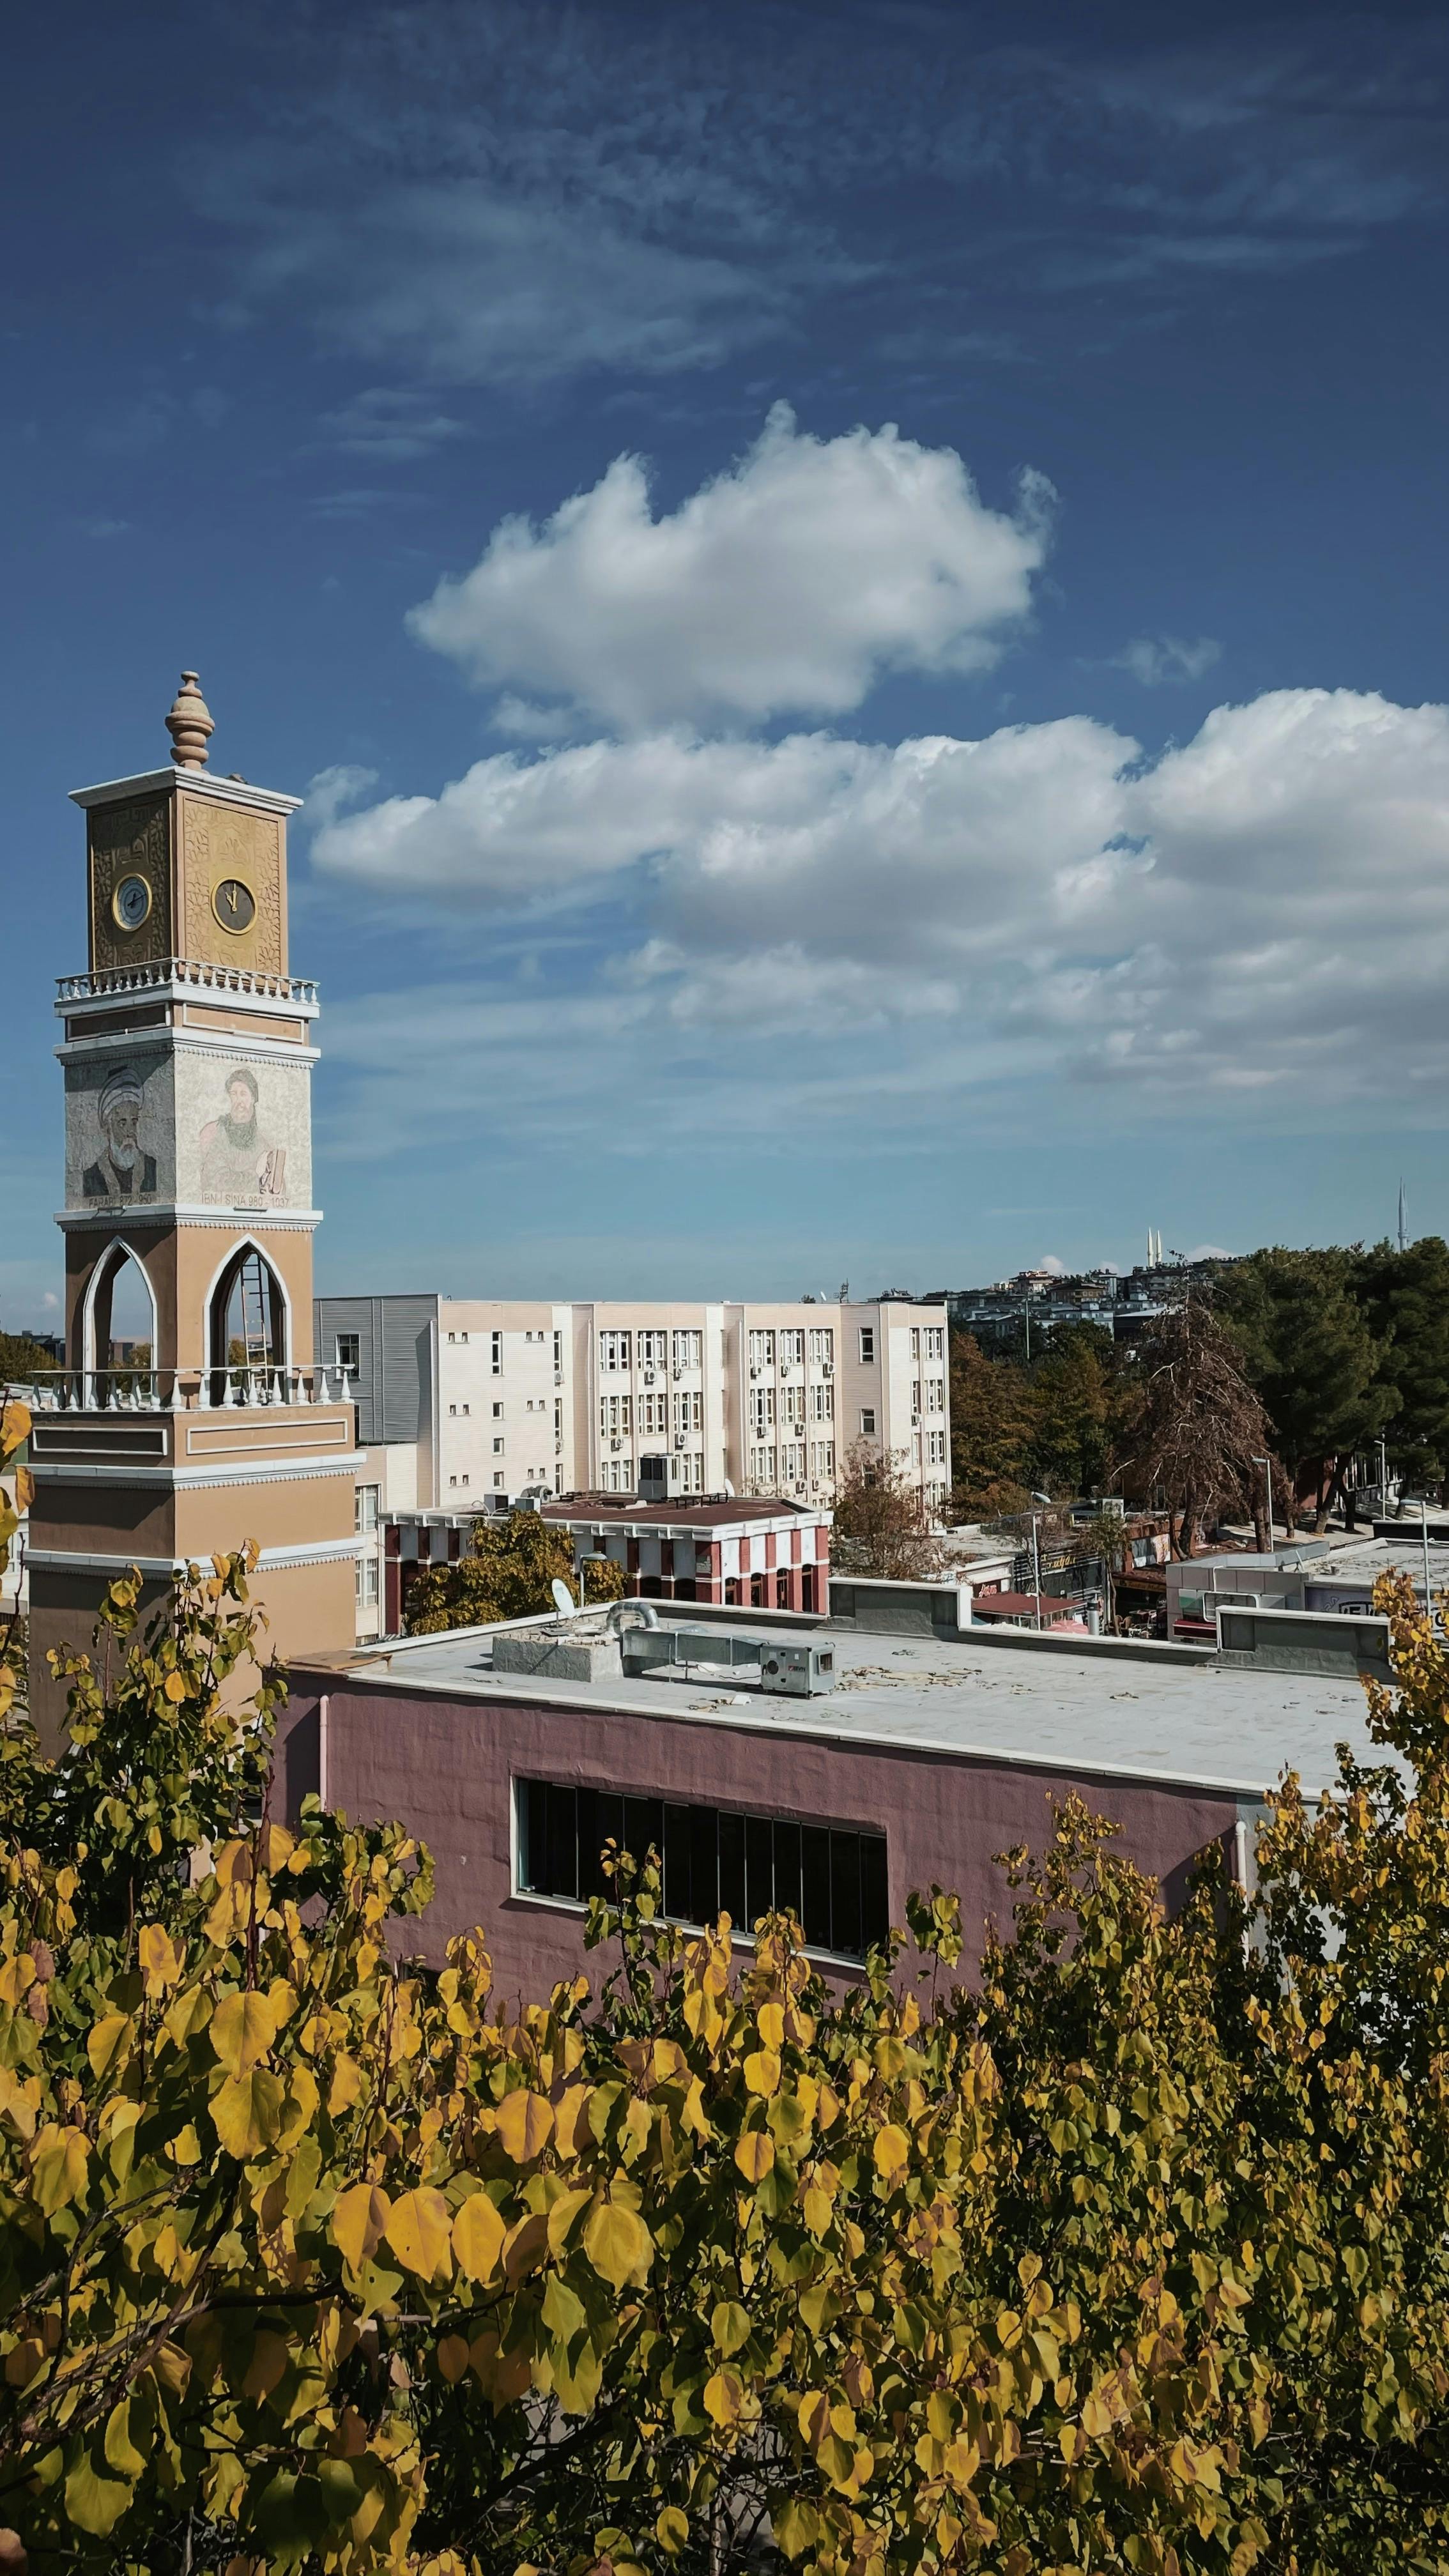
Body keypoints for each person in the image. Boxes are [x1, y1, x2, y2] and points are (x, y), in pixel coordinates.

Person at [199, 1066, 284, 1204]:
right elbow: (213, 1181)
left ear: (253, 1098)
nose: (239, 1101)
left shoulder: (264, 1141)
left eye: (243, 1094)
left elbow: (278, 1190)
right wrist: (255, 1175)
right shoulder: (216, 1132)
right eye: (234, 1094)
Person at [82, 1066, 157, 1200]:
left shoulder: (152, 1169)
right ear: (107, 1128)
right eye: (122, 1123)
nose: (130, 1132)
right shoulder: (92, 1176)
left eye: (134, 1123)